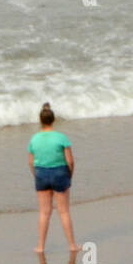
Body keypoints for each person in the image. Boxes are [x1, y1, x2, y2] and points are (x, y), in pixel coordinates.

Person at [29, 103, 79, 252]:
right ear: (53, 120)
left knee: (44, 212)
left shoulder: (34, 139)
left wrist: (36, 175)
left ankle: (40, 246)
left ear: (40, 121)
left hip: (41, 173)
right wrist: (70, 174)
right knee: (63, 211)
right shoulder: (61, 137)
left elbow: (31, 162)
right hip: (59, 172)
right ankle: (71, 245)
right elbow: (70, 161)